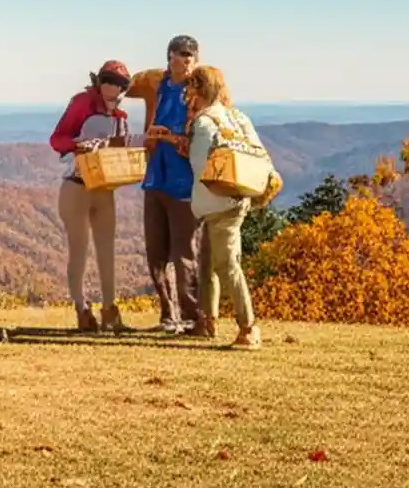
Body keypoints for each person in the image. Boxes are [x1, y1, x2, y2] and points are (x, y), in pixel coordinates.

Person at [183, 65, 274, 349]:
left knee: (227, 265)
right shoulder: (238, 117)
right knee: (210, 263)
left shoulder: (203, 123)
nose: (187, 92)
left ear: (199, 89)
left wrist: (184, 145)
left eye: (190, 87)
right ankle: (207, 321)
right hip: (239, 195)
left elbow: (199, 165)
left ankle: (248, 327)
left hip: (217, 201)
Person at [49, 60, 141, 332]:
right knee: (79, 249)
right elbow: (57, 139)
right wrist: (78, 146)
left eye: (118, 83)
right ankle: (82, 309)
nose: (112, 87)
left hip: (104, 188)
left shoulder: (120, 118)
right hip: (76, 185)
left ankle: (110, 310)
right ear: (99, 81)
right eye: (107, 81)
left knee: (107, 251)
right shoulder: (82, 103)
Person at [126, 35, 208, 334]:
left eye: (190, 56)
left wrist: (170, 138)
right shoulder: (158, 86)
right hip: (155, 179)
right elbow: (129, 86)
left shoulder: (199, 92)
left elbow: (204, 138)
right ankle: (168, 315)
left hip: (184, 184)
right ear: (170, 56)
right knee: (155, 253)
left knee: (185, 255)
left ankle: (194, 318)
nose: (185, 60)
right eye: (181, 54)